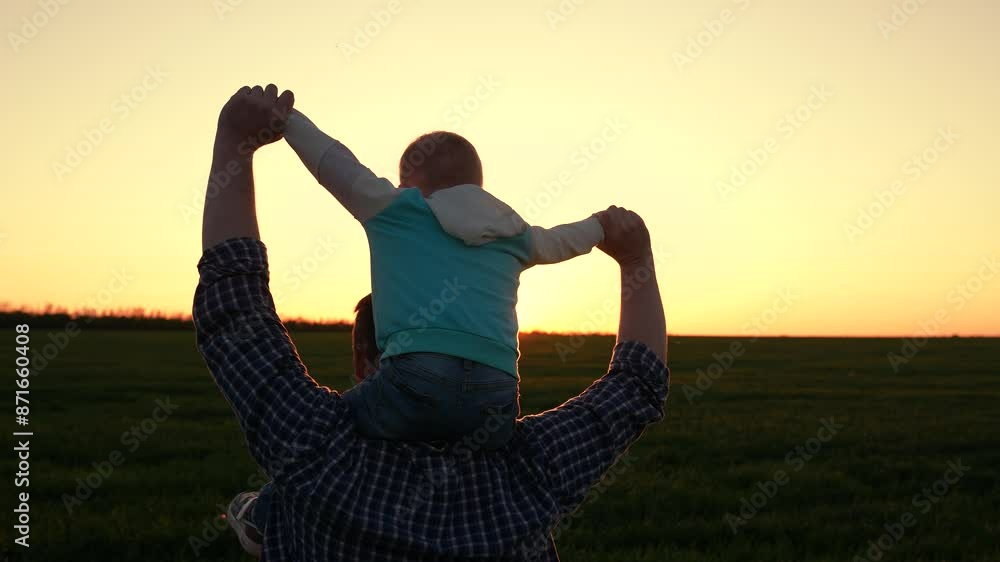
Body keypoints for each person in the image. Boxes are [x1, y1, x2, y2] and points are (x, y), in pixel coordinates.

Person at [196, 84, 668, 560]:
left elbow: (236, 308)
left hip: (345, 444)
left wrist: (251, 137)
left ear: (365, 356)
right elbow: (637, 385)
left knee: (293, 479)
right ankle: (265, 509)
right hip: (496, 405)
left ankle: (264, 512)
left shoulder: (315, 447)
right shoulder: (533, 475)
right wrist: (631, 255)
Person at [281, 109, 607, 448]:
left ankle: (259, 503)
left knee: (322, 434)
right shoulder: (514, 232)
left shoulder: (397, 209)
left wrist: (287, 119)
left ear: (411, 184)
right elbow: (561, 241)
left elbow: (336, 164)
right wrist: (600, 225)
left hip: (415, 378)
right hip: (496, 398)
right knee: (469, 454)